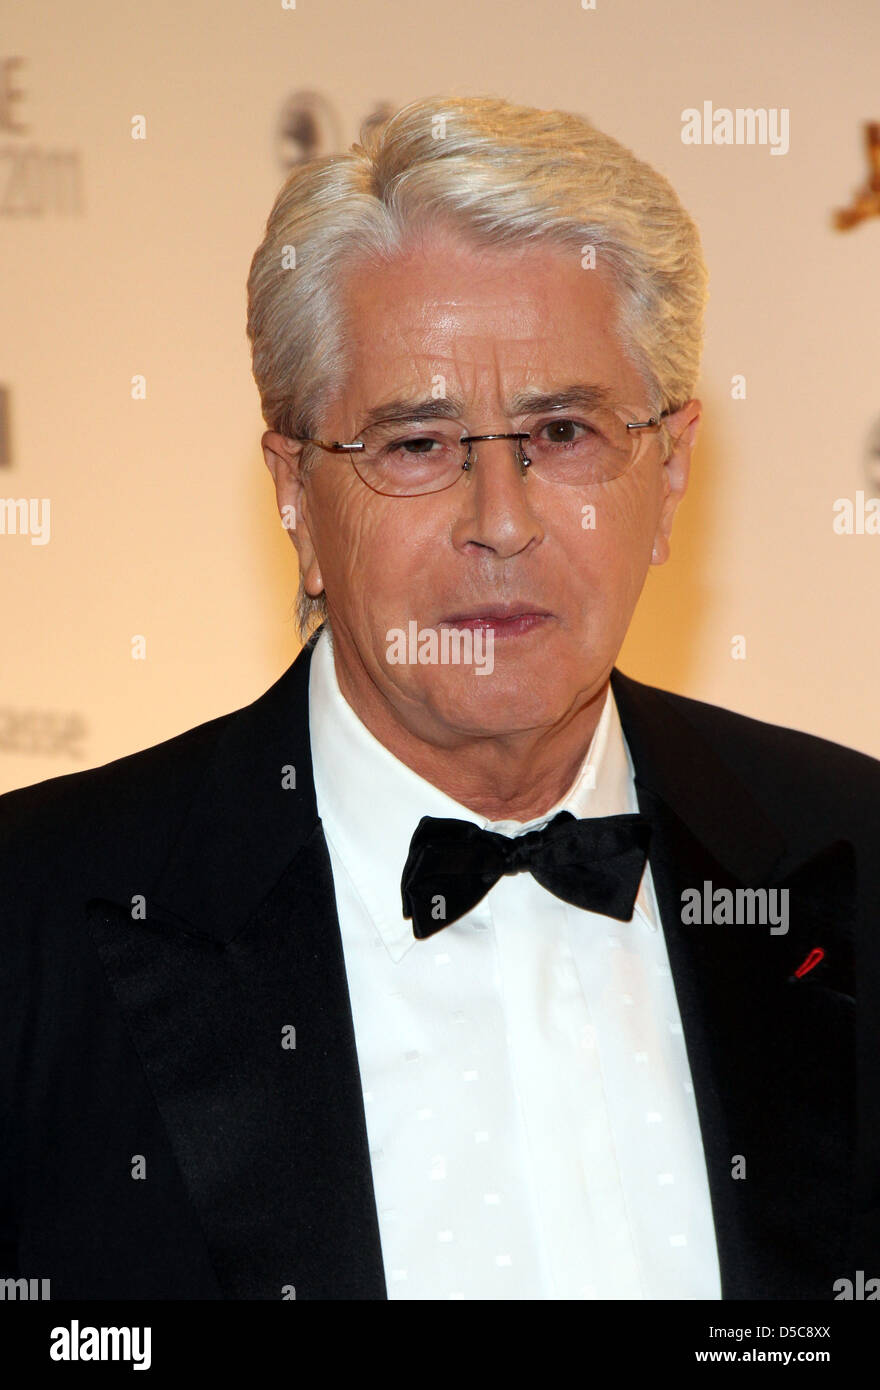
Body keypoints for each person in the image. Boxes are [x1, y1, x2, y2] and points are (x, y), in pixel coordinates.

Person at [1, 95, 878, 1302]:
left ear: (668, 473)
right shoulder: (33, 921)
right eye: (416, 445)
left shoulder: (851, 850)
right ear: (296, 492)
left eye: (562, 431)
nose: (501, 523)